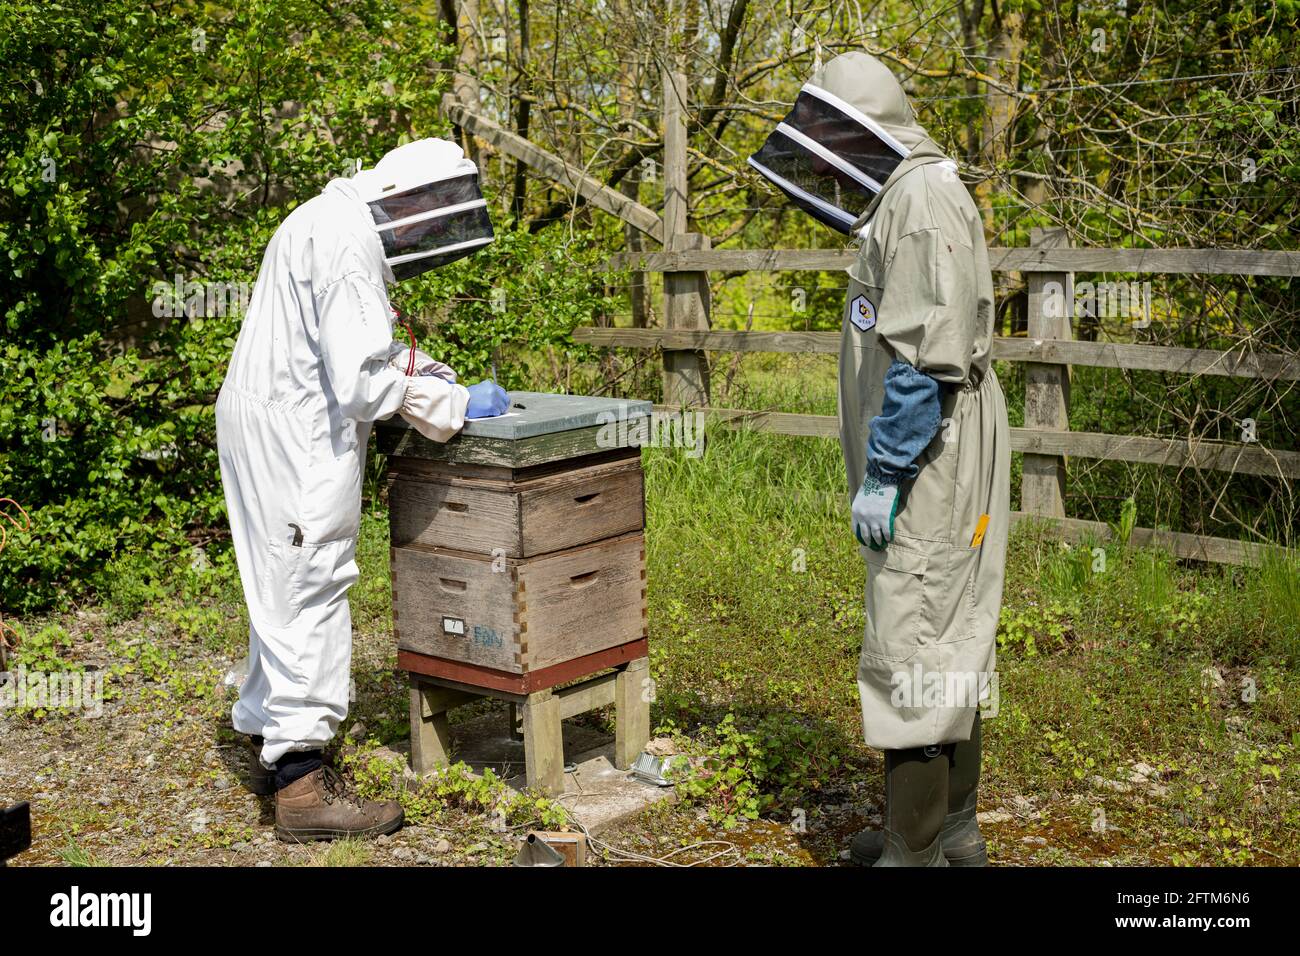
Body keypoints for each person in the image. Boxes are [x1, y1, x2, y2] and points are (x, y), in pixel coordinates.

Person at [750, 52, 1010, 866]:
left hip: (933, 448)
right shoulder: (906, 195)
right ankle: (952, 833)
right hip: (939, 443)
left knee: (916, 630)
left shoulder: (924, 200)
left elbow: (926, 359)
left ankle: (914, 848)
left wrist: (889, 471)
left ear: (860, 134)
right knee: (948, 628)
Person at [216, 138, 509, 842]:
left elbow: (360, 351)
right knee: (312, 586)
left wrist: (428, 373)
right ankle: (301, 784)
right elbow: (362, 384)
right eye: (432, 221)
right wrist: (455, 404)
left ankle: (265, 735)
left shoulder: (322, 217)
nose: (428, 239)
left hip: (265, 421)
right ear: (408, 200)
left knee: (279, 589)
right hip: (299, 441)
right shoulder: (348, 244)